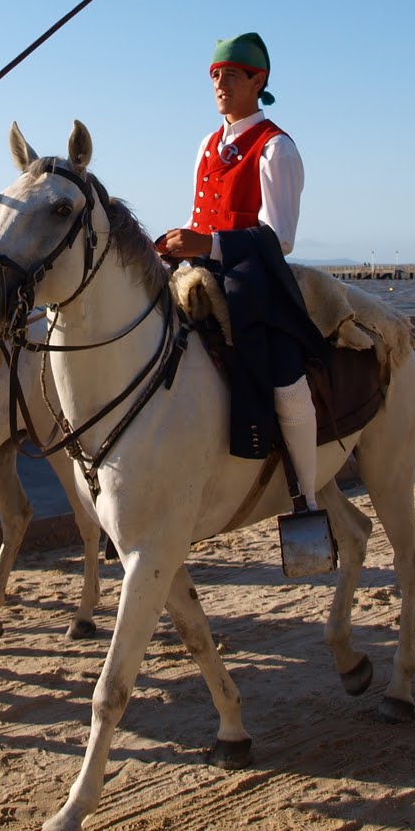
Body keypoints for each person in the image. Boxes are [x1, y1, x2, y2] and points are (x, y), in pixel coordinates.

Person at [155, 32, 328, 510]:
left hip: (254, 280)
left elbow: (280, 237)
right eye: (215, 75)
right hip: (198, 270)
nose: (219, 83)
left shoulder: (276, 148)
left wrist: (208, 244)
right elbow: (199, 217)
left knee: (287, 384)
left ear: (258, 80)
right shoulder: (206, 145)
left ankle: (307, 498)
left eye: (230, 74)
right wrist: (174, 245)